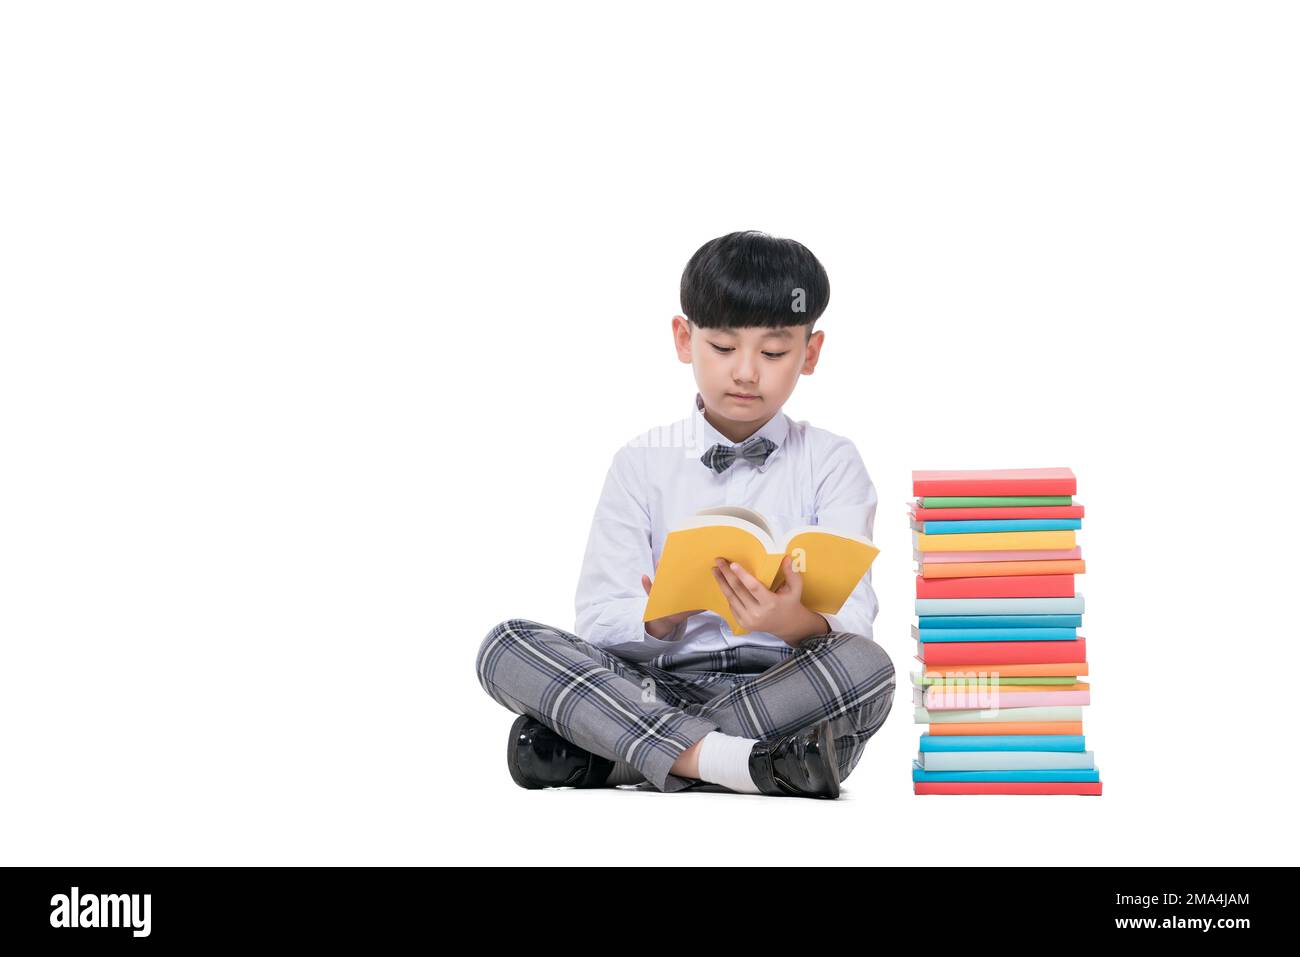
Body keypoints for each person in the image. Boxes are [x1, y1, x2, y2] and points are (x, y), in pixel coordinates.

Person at [475, 230, 895, 798]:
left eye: (773, 353)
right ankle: (745, 764)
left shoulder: (834, 460)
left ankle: (613, 753)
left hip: (783, 689)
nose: (747, 372)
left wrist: (785, 620)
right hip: (652, 685)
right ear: (683, 338)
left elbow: (855, 624)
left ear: (810, 353)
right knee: (507, 644)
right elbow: (597, 622)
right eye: (723, 348)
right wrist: (659, 620)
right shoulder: (641, 462)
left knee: (868, 668)